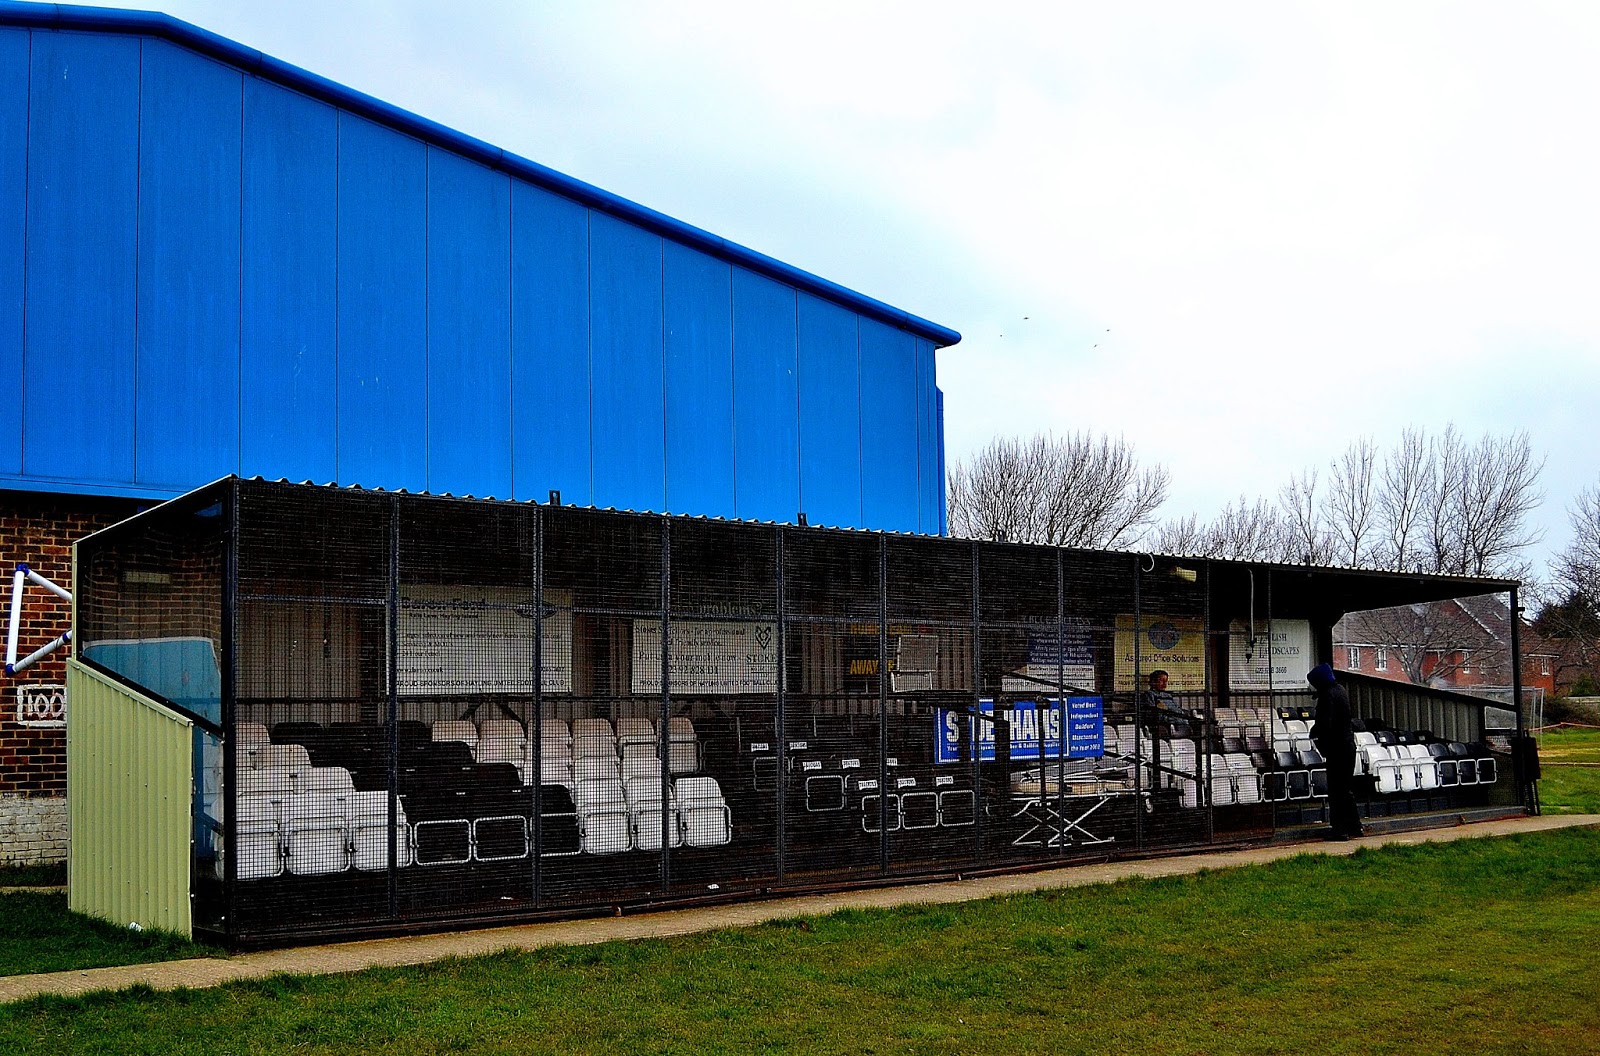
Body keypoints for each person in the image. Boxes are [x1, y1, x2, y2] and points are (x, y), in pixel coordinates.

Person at [1307, 662, 1364, 840]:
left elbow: (1325, 724)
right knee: (1346, 789)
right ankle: (1355, 826)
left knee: (1336, 791)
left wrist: (1315, 733)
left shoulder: (1327, 696)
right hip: (1348, 746)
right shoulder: (1341, 690)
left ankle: (1339, 830)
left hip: (1336, 748)